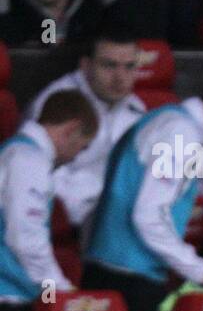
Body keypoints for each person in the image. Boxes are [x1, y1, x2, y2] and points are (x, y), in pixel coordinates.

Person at [80, 77, 203, 311]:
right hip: (129, 281)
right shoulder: (181, 135)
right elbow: (148, 216)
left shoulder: (164, 119)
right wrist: (202, 271)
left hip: (109, 268)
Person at [0, 90, 98, 311]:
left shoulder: (15, 153)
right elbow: (25, 239)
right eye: (82, 146)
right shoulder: (28, 161)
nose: (78, 156)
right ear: (71, 129)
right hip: (8, 300)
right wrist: (58, 291)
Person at [25, 28, 144, 228]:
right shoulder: (59, 103)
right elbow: (38, 176)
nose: (120, 77)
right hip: (66, 220)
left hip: (115, 215)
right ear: (86, 66)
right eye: (109, 66)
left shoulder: (135, 108)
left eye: (129, 67)